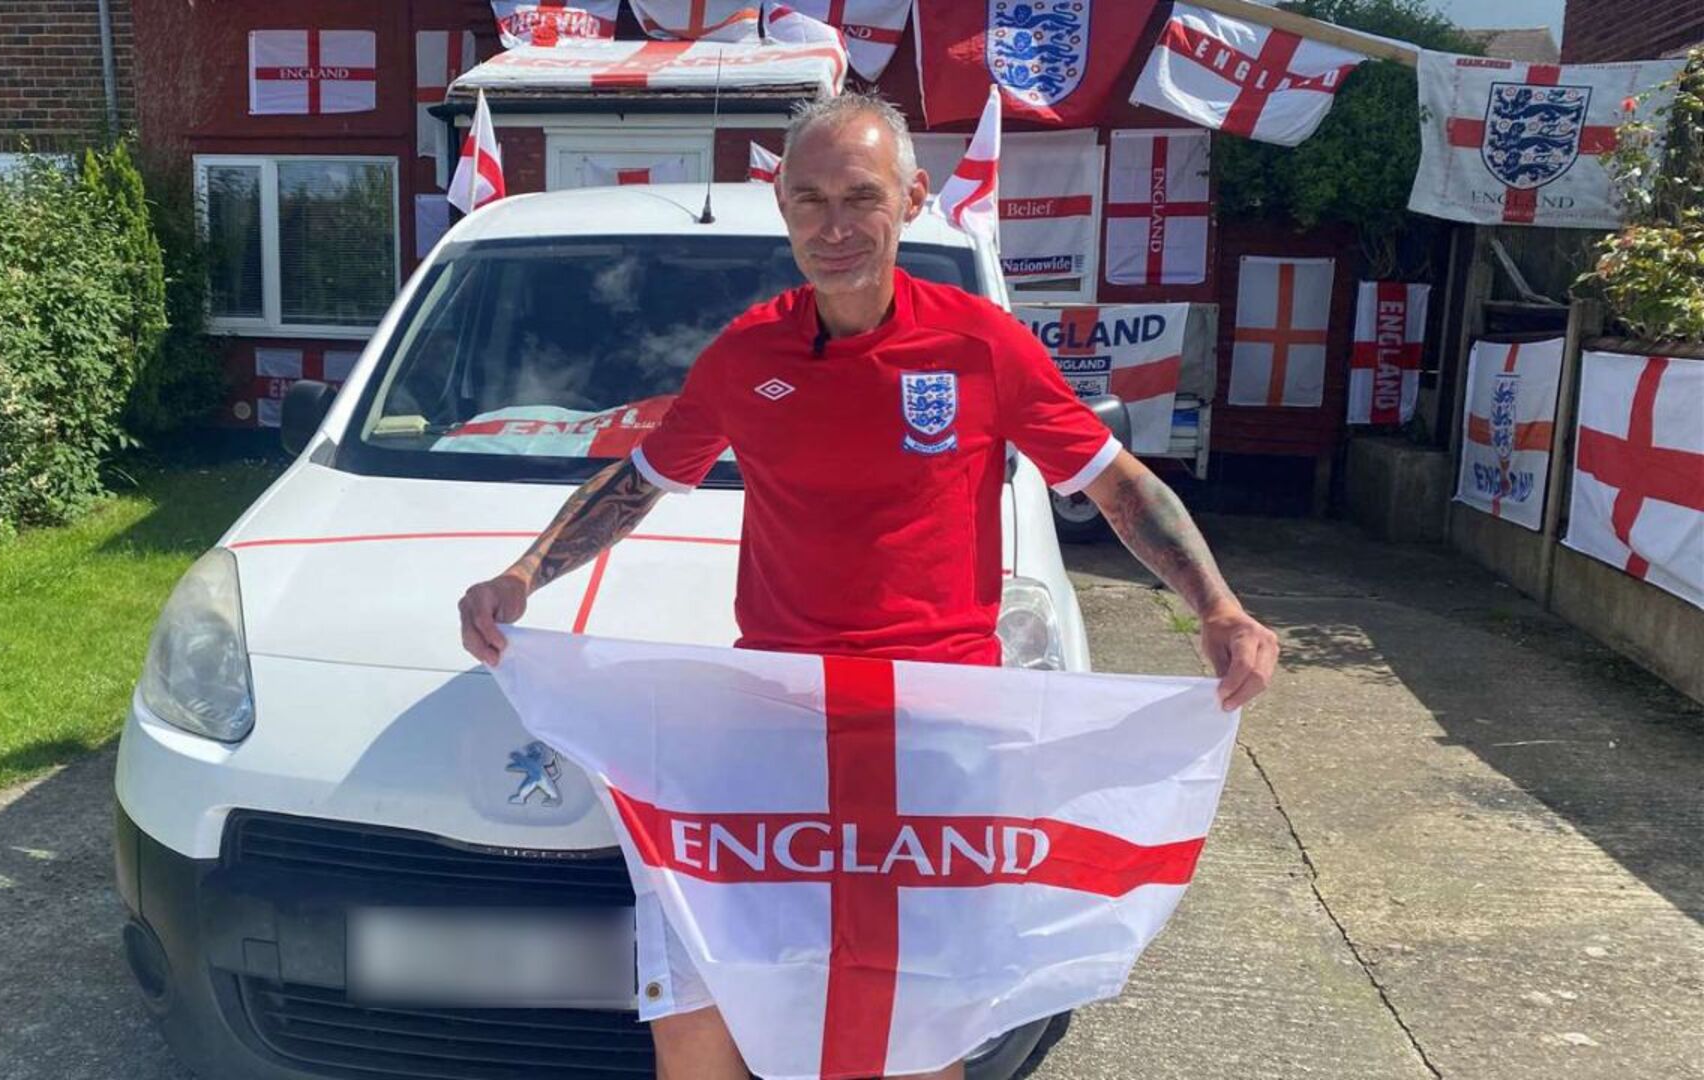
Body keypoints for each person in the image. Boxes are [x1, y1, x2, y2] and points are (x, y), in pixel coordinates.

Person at [459, 91, 1279, 1080]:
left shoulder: (982, 344)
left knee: (909, 1030)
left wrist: (1216, 605)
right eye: (809, 200)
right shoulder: (747, 354)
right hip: (779, 731)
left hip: (936, 738)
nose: (835, 226)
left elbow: (1117, 486)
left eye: (860, 196)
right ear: (782, 205)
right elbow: (639, 483)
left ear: (914, 197)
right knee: (700, 1003)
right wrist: (522, 575)